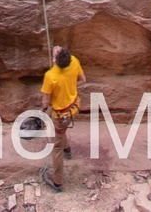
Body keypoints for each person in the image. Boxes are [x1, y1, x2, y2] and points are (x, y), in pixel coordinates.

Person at [38, 44, 85, 192]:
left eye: (56, 51)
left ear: (55, 60)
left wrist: (43, 109)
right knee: (61, 131)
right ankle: (67, 150)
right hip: (74, 107)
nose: (57, 47)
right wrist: (68, 85)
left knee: (55, 146)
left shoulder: (50, 76)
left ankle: (57, 182)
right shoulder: (74, 61)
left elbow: (46, 102)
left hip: (60, 115)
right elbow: (82, 79)